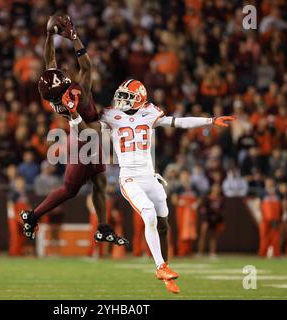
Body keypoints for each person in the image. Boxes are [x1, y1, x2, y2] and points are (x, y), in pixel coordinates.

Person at [61, 78, 234, 294]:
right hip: (129, 177)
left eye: (126, 97)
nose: (121, 100)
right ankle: (160, 267)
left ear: (140, 99)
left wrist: (210, 121)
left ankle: (166, 269)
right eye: (121, 96)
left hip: (150, 176)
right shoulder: (110, 115)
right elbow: (85, 130)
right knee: (149, 214)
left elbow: (178, 122)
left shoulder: (151, 112)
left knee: (163, 222)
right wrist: (73, 114)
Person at [20, 14, 127, 247]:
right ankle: (33, 215)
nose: (64, 71)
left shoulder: (54, 94)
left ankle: (103, 227)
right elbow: (87, 66)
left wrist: (49, 36)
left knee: (99, 182)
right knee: (69, 189)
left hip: (81, 132)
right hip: (83, 137)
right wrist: (74, 37)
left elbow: (50, 62)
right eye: (63, 76)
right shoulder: (79, 93)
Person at [197, 183, 225, 258]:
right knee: (203, 235)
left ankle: (212, 253)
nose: (216, 190)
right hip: (207, 219)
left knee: (213, 236)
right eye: (215, 188)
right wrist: (205, 218)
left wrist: (219, 220)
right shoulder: (207, 198)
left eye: (217, 188)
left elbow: (221, 211)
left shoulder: (220, 199)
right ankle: (200, 252)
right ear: (212, 189)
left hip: (215, 220)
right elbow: (203, 209)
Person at [7, 176, 30, 256]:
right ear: (16, 184)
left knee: (22, 236)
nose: (21, 184)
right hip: (14, 217)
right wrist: (14, 216)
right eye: (19, 183)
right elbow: (10, 205)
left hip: (22, 217)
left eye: (22, 182)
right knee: (15, 236)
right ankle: (13, 253)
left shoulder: (24, 193)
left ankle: (20, 252)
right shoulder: (14, 193)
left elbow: (26, 206)